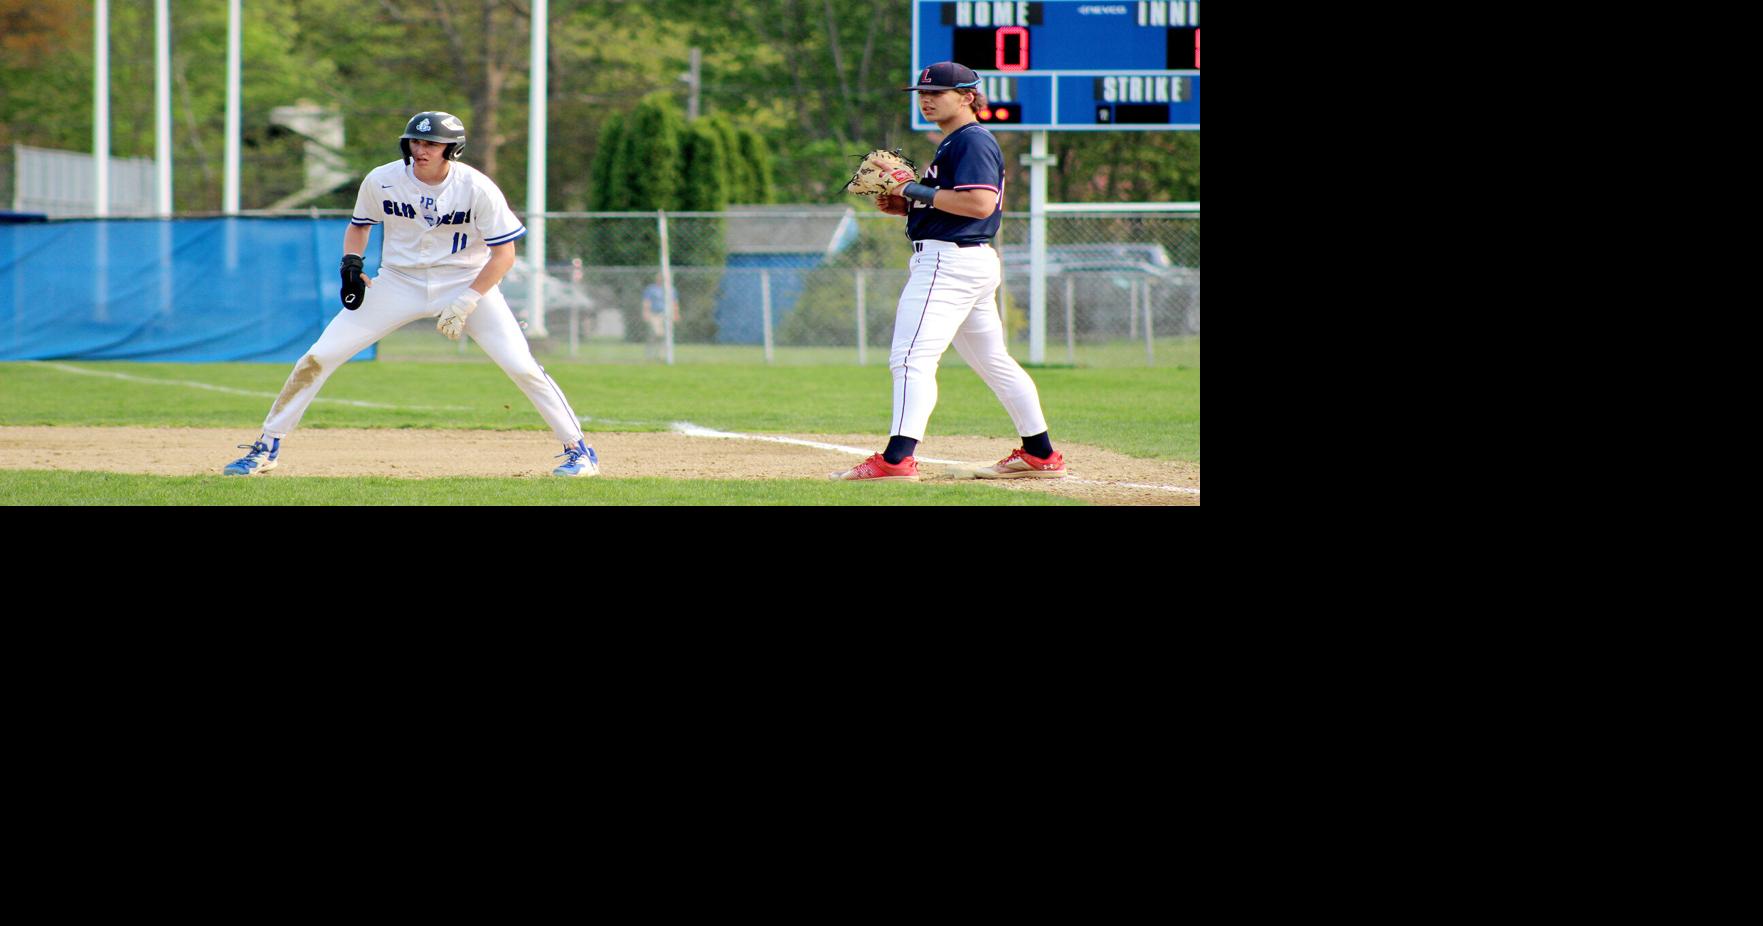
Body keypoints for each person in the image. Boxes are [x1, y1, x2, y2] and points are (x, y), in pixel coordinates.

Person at [221, 111, 598, 478]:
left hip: (464, 280)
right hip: (398, 282)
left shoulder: (476, 187)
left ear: (453, 149)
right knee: (318, 357)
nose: (422, 149)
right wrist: (351, 264)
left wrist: (467, 300)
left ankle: (580, 452)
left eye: (433, 143)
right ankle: (266, 447)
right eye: (416, 141)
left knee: (521, 366)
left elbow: (505, 254)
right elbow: (359, 227)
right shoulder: (382, 179)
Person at [831, 62, 1066, 482]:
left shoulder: (971, 141)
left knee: (911, 358)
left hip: (947, 263)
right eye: (922, 93)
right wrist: (911, 205)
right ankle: (1039, 454)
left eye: (937, 92)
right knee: (994, 361)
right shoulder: (957, 141)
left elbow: (978, 204)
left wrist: (911, 189)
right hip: (965, 260)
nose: (926, 99)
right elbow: (959, 204)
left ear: (968, 97)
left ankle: (896, 459)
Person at [641, 273, 679, 357]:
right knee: (656, 333)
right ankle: (649, 353)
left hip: (667, 314)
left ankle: (663, 354)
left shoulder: (671, 289)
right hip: (654, 314)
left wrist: (676, 314)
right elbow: (646, 302)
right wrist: (646, 312)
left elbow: (674, 303)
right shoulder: (651, 289)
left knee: (667, 335)